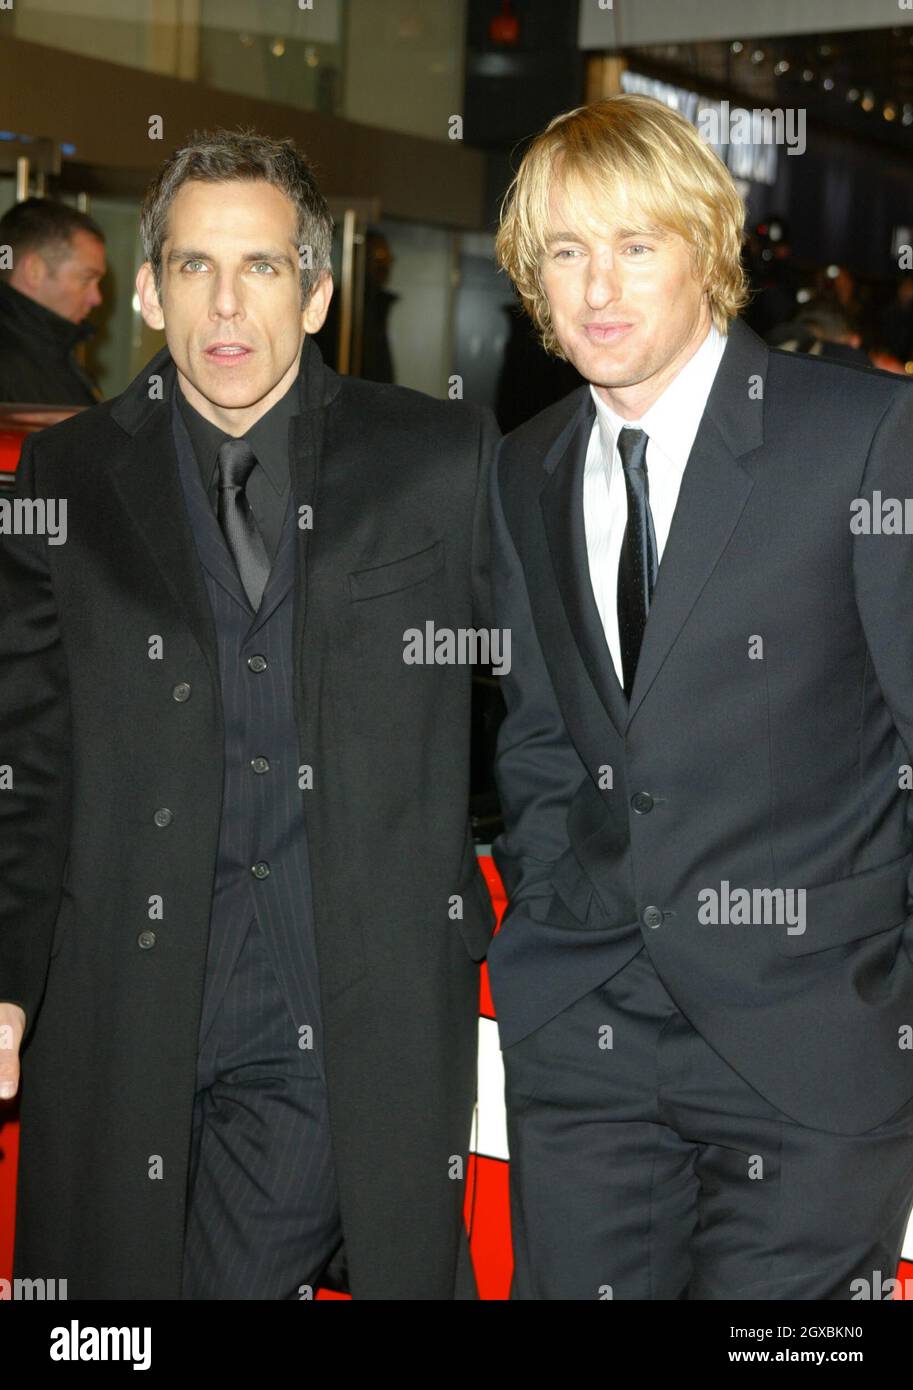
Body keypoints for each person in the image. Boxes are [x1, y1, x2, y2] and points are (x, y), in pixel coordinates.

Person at [0, 126, 498, 1300]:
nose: (227, 304)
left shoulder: (433, 458)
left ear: (317, 293)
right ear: (146, 290)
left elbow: (548, 698)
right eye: (193, 267)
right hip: (126, 1003)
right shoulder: (65, 478)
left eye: (263, 267)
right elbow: (29, 751)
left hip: (340, 1005)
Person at [488, 93, 913, 1300]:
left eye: (635, 244)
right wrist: (556, 934)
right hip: (587, 1040)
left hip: (813, 1047)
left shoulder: (864, 437)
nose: (597, 286)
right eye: (564, 250)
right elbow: (540, 742)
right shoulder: (525, 465)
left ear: (707, 253)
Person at [0, 196, 105, 405]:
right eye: (86, 279)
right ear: (34, 271)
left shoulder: (54, 354)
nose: (97, 298)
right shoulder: (12, 366)